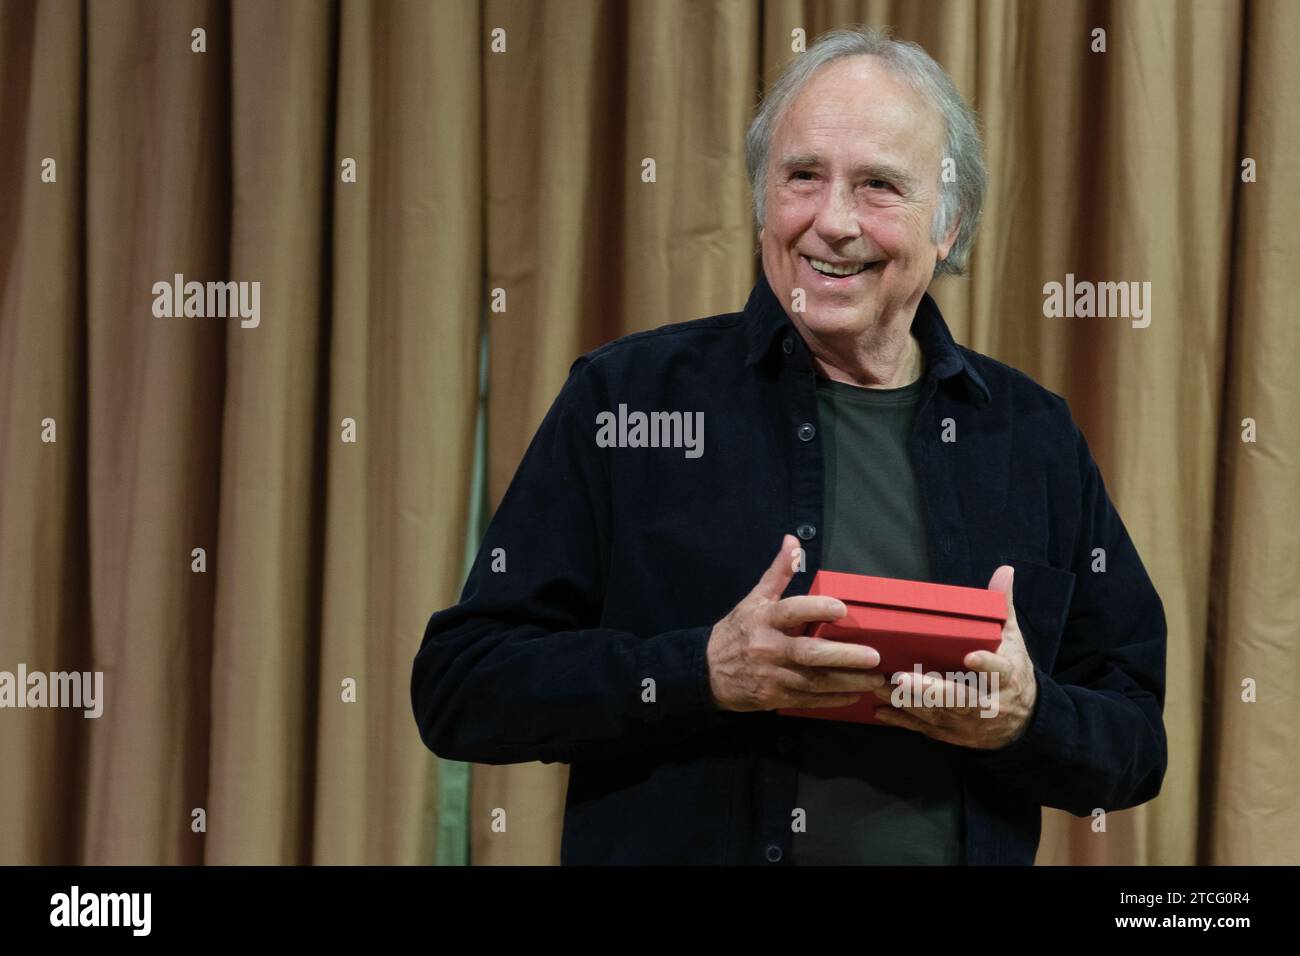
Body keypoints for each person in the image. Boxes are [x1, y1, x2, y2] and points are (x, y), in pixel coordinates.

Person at [411, 26, 1167, 865]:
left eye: (879, 185)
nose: (831, 222)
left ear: (948, 226)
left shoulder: (1032, 437)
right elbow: (460, 687)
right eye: (803, 176)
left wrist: (1026, 717)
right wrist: (701, 671)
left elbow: (1135, 739)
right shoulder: (624, 400)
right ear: (763, 198)